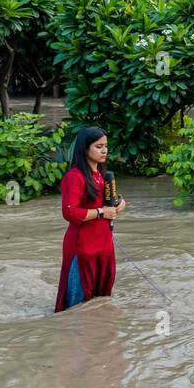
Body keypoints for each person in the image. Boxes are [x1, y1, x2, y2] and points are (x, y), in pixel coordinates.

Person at [55, 127, 127, 312]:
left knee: (100, 304)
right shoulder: (74, 177)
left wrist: (119, 204)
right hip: (83, 248)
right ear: (85, 149)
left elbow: (108, 201)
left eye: (106, 146)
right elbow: (70, 212)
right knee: (77, 306)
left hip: (104, 245)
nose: (104, 151)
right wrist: (102, 212)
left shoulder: (102, 175)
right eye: (98, 146)